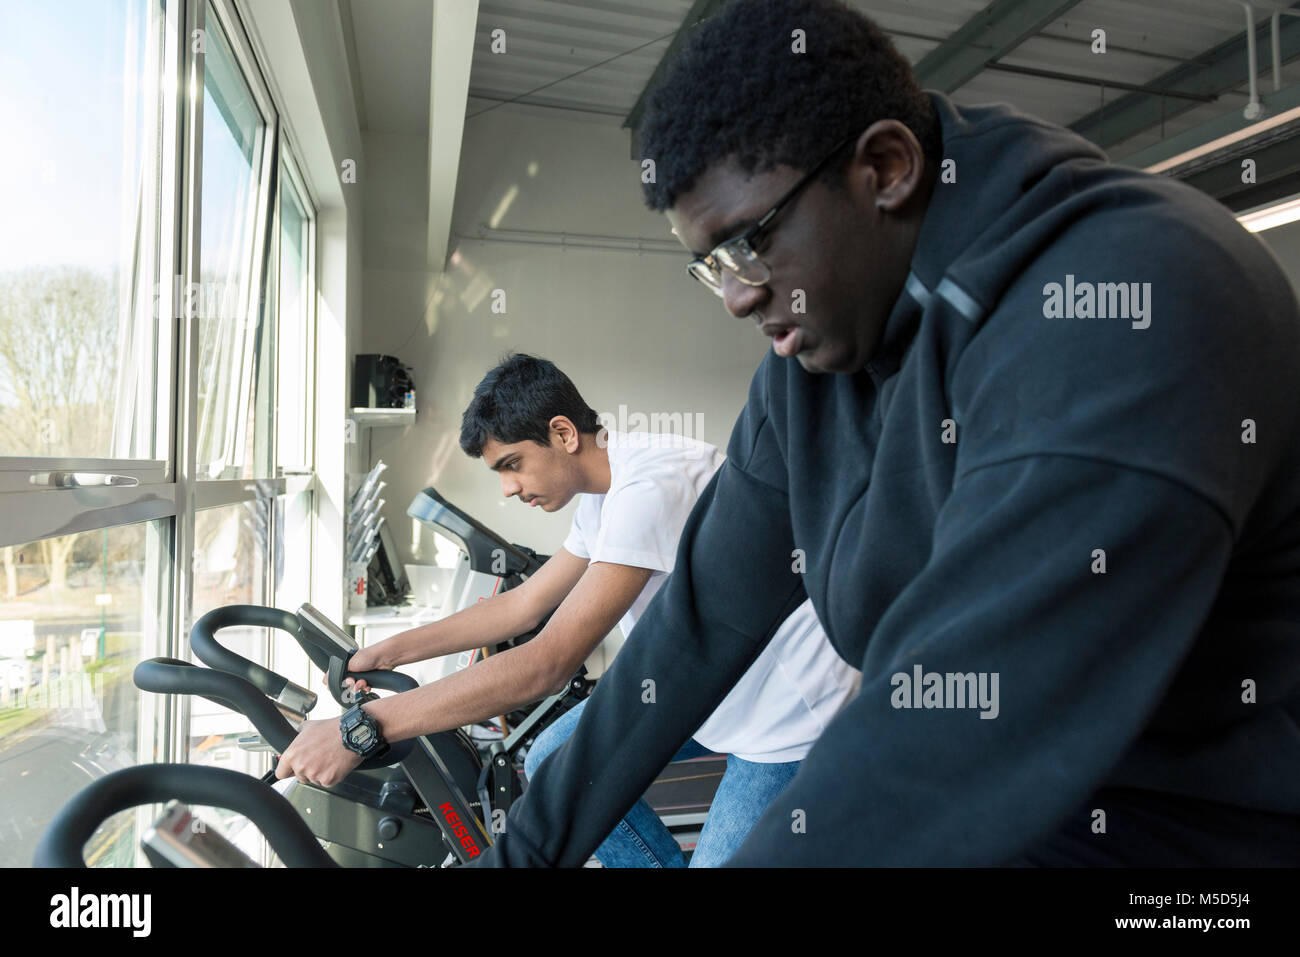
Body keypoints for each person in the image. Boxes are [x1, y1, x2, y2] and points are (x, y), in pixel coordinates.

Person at [471, 0, 1300, 867]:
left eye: (749, 243)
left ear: (886, 167)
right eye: (710, 264)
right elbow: (696, 629)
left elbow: (951, 730)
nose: (736, 295)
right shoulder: (819, 366)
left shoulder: (1123, 302)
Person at [274, 353, 860, 866]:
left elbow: (547, 663)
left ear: (562, 433)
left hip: (787, 718)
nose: (508, 488)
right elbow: (526, 607)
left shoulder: (650, 485)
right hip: (709, 694)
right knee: (556, 755)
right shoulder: (601, 493)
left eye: (511, 465)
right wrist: (378, 653)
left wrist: (361, 729)